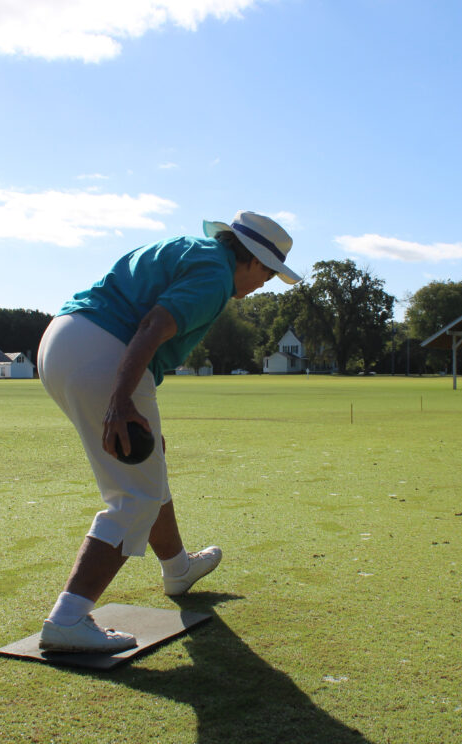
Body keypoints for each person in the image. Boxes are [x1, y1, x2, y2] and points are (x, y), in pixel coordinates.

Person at [35, 211, 302, 652]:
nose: (266, 282)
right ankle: (68, 618)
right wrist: (121, 399)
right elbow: (153, 326)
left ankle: (178, 568)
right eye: (268, 272)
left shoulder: (193, 250)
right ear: (251, 259)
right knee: (134, 496)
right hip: (104, 352)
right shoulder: (216, 275)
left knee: (148, 467)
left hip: (64, 341)